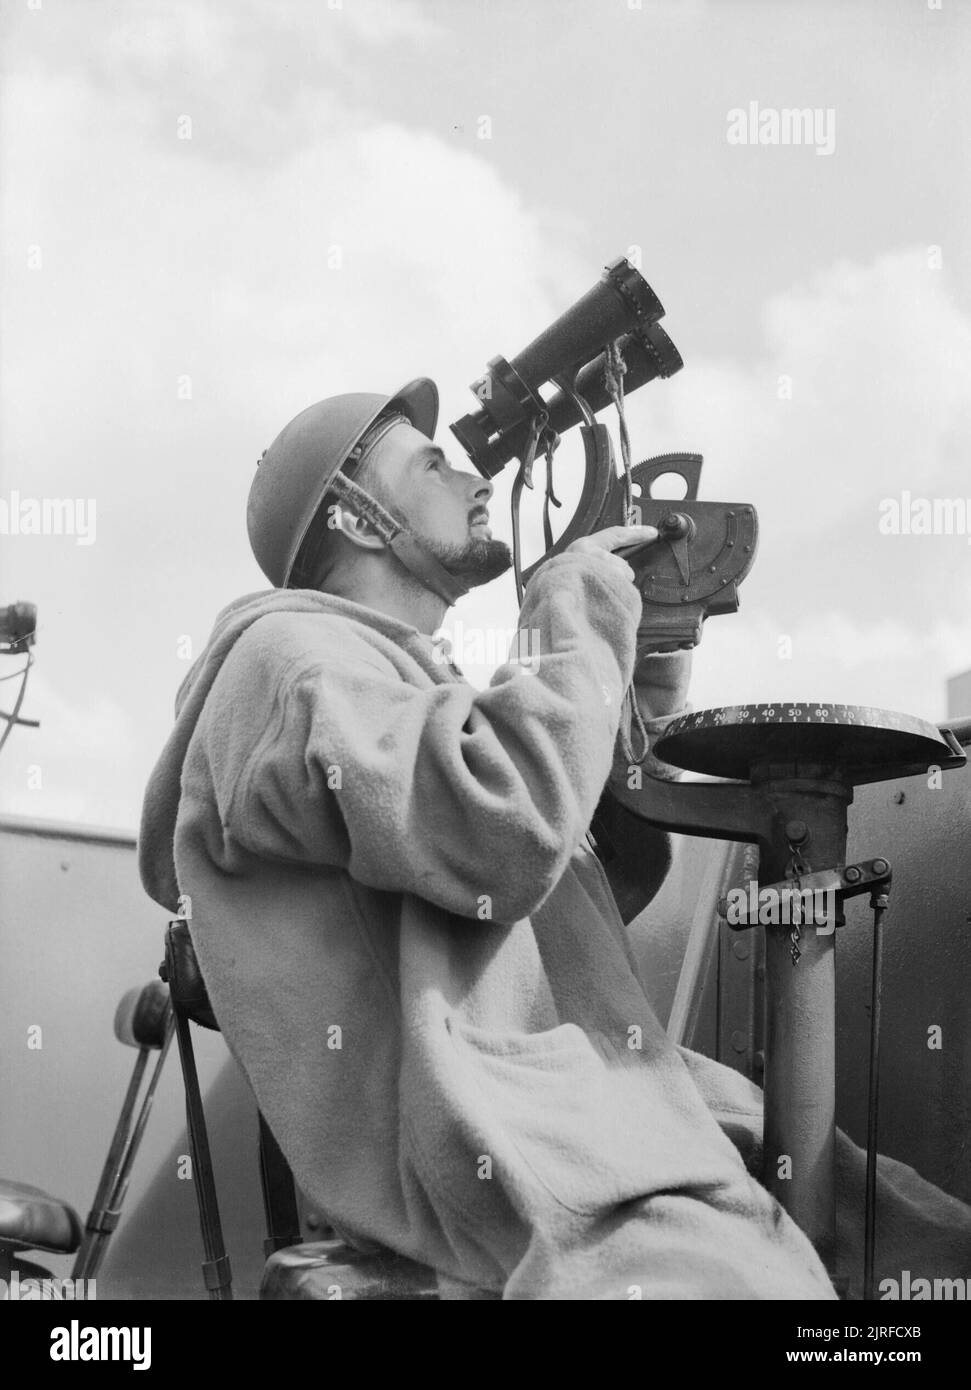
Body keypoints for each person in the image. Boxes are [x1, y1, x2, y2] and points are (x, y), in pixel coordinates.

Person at [138, 379, 971, 1300]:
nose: (472, 477)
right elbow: (506, 837)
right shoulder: (289, 662)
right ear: (360, 518)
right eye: (432, 463)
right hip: (506, 1136)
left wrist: (635, 686)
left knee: (922, 1250)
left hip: (619, 1100)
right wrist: (573, 609)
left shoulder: (397, 681)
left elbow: (566, 894)